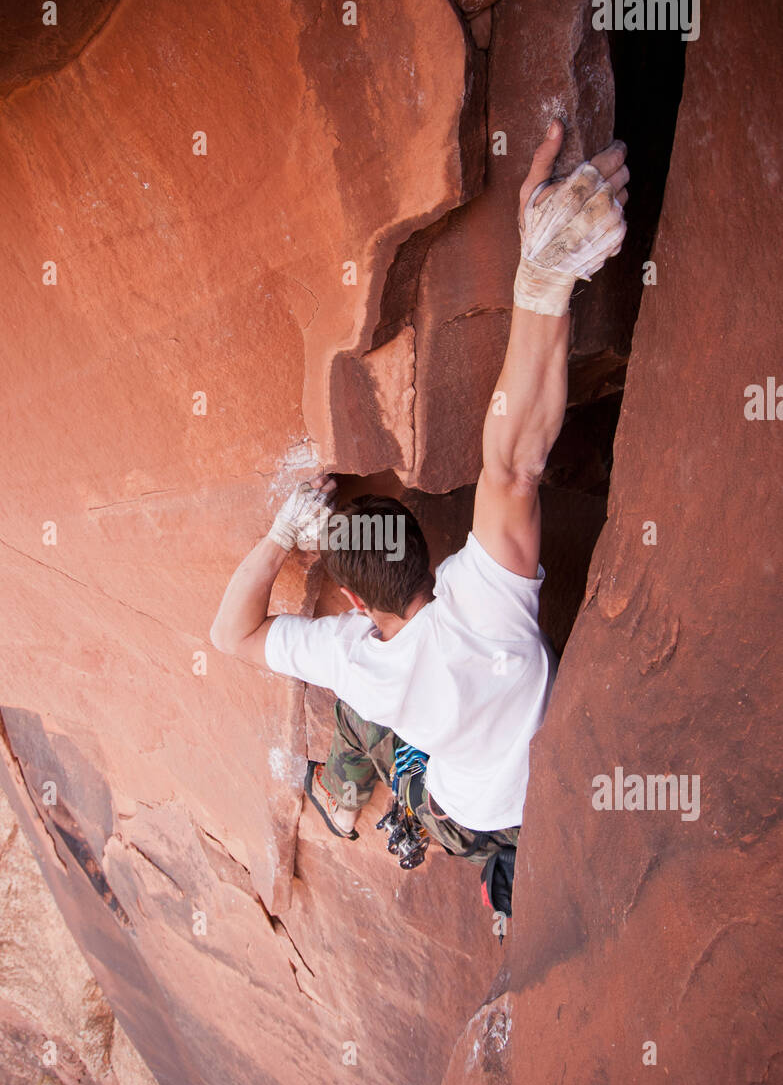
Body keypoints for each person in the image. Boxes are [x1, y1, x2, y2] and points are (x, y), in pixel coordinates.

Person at [211, 119, 629, 895]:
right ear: (429, 558)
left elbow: (230, 633)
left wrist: (279, 535)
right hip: (551, 783)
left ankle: (343, 797)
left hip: (472, 818)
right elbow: (513, 466)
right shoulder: (483, 601)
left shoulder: (353, 665)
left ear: (350, 604)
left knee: (356, 722)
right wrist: (543, 275)